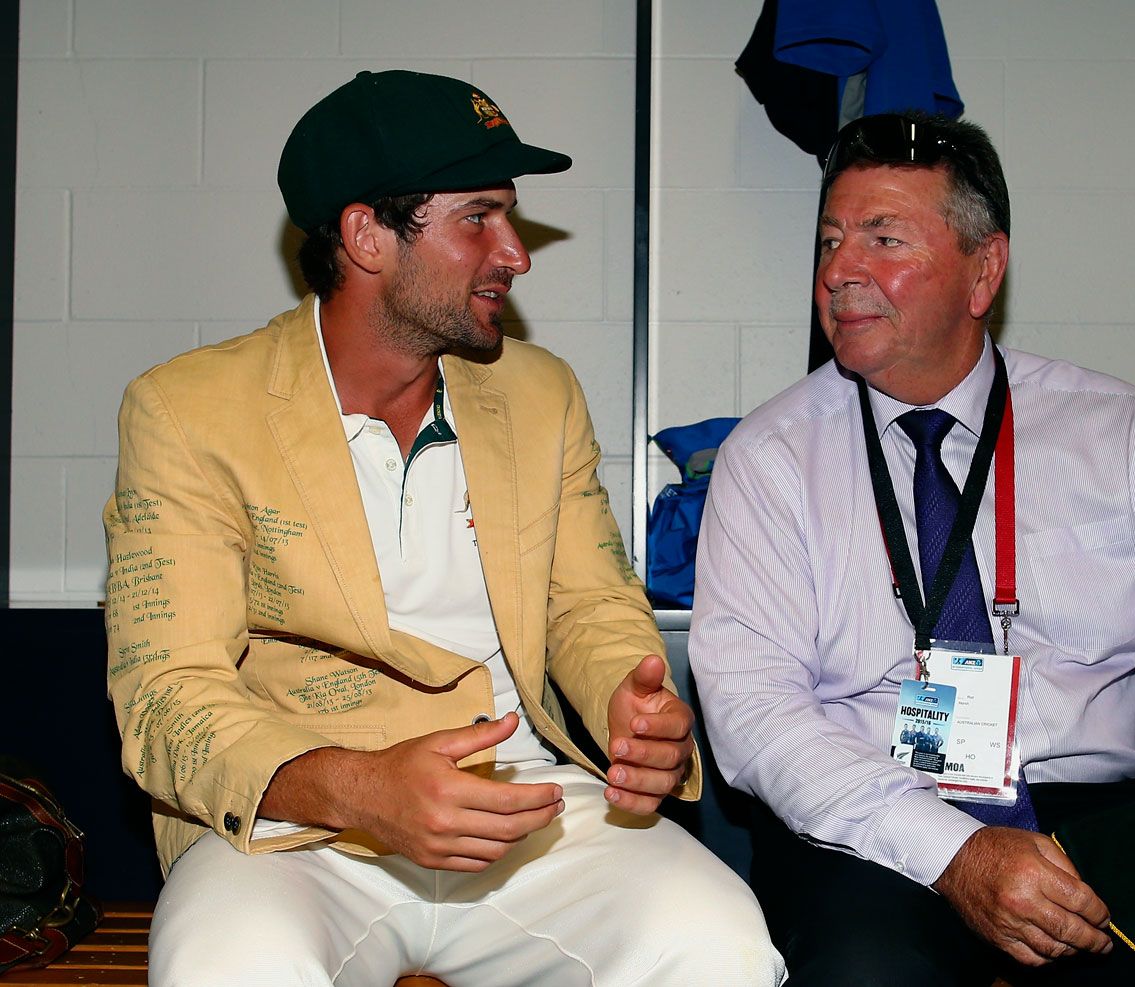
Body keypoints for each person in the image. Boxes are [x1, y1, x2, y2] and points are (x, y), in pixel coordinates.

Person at [103, 69, 781, 987]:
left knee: (720, 947)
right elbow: (164, 697)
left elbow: (590, 605)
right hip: (297, 835)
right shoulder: (191, 411)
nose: (517, 252)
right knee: (228, 969)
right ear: (366, 235)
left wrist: (634, 699)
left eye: (513, 216)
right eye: (478, 218)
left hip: (523, 808)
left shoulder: (541, 395)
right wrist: (359, 786)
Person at [690, 111, 1135, 986]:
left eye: (882, 238)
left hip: (1100, 814)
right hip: (874, 827)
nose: (839, 271)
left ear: (984, 269)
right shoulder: (771, 458)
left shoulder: (1118, 431)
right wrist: (955, 849)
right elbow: (756, 713)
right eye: (831, 239)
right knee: (861, 972)